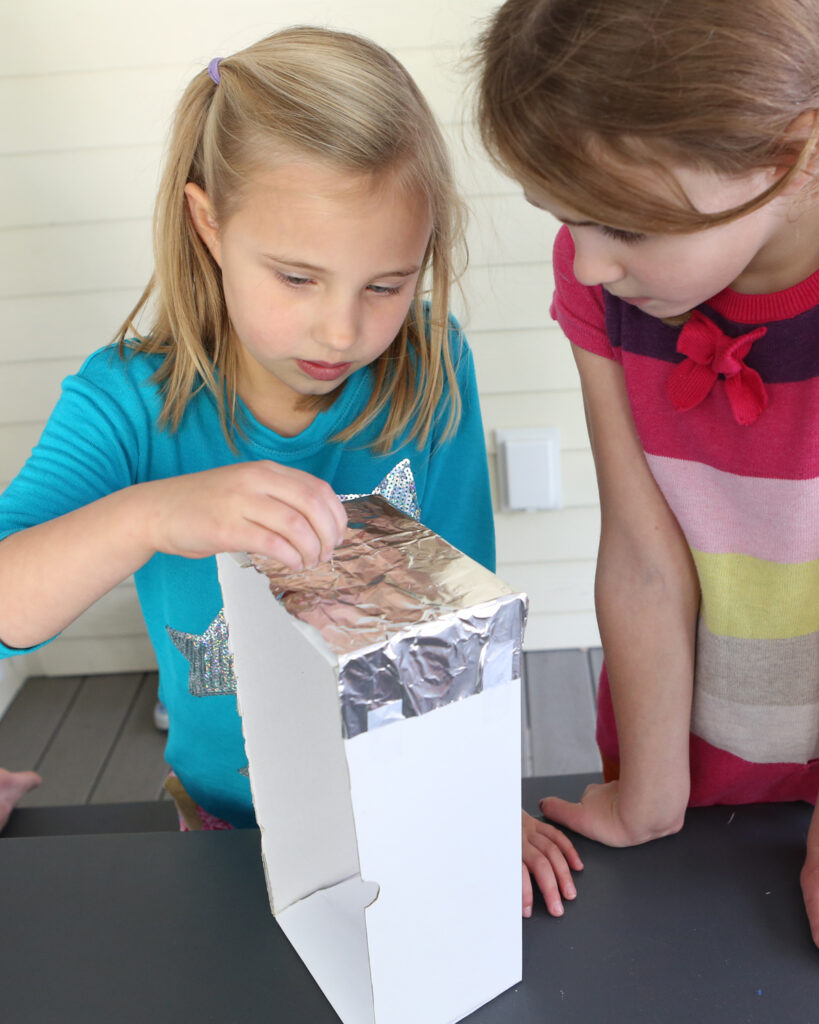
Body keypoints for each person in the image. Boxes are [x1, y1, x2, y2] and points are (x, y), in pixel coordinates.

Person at [0, 24, 581, 912]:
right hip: (226, 822)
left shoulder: (431, 367)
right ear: (208, 225)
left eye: (386, 285)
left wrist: (474, 800)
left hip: (410, 801)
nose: (342, 332)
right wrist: (152, 515)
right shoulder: (126, 404)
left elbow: (462, 622)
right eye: (298, 278)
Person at [474, 0, 819, 941]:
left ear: (785, 157)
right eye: (562, 220)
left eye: (621, 225)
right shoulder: (602, 282)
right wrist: (650, 793)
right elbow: (639, 544)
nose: (584, 266)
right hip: (691, 736)